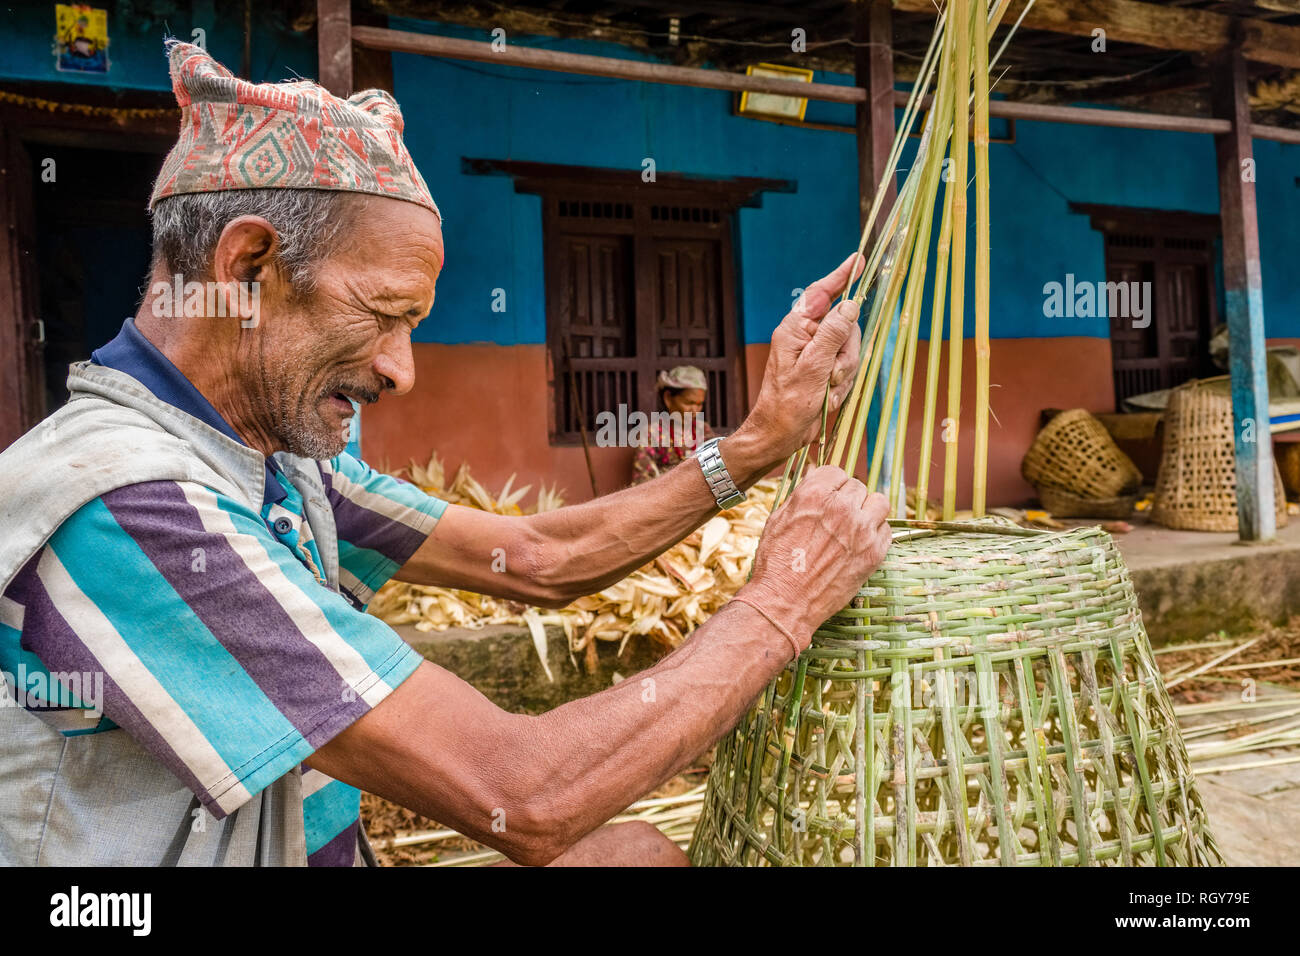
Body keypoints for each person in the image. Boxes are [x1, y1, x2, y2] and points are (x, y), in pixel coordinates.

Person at [0, 42, 888, 867]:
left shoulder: (273, 459)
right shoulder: (128, 505)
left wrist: (760, 442)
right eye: (384, 314)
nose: (401, 368)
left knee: (638, 856)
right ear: (247, 267)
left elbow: (542, 559)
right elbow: (524, 794)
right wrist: (784, 601)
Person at [632, 365, 715, 484]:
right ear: (668, 399)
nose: (695, 410)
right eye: (689, 402)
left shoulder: (704, 430)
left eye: (699, 404)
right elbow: (642, 482)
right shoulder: (651, 435)